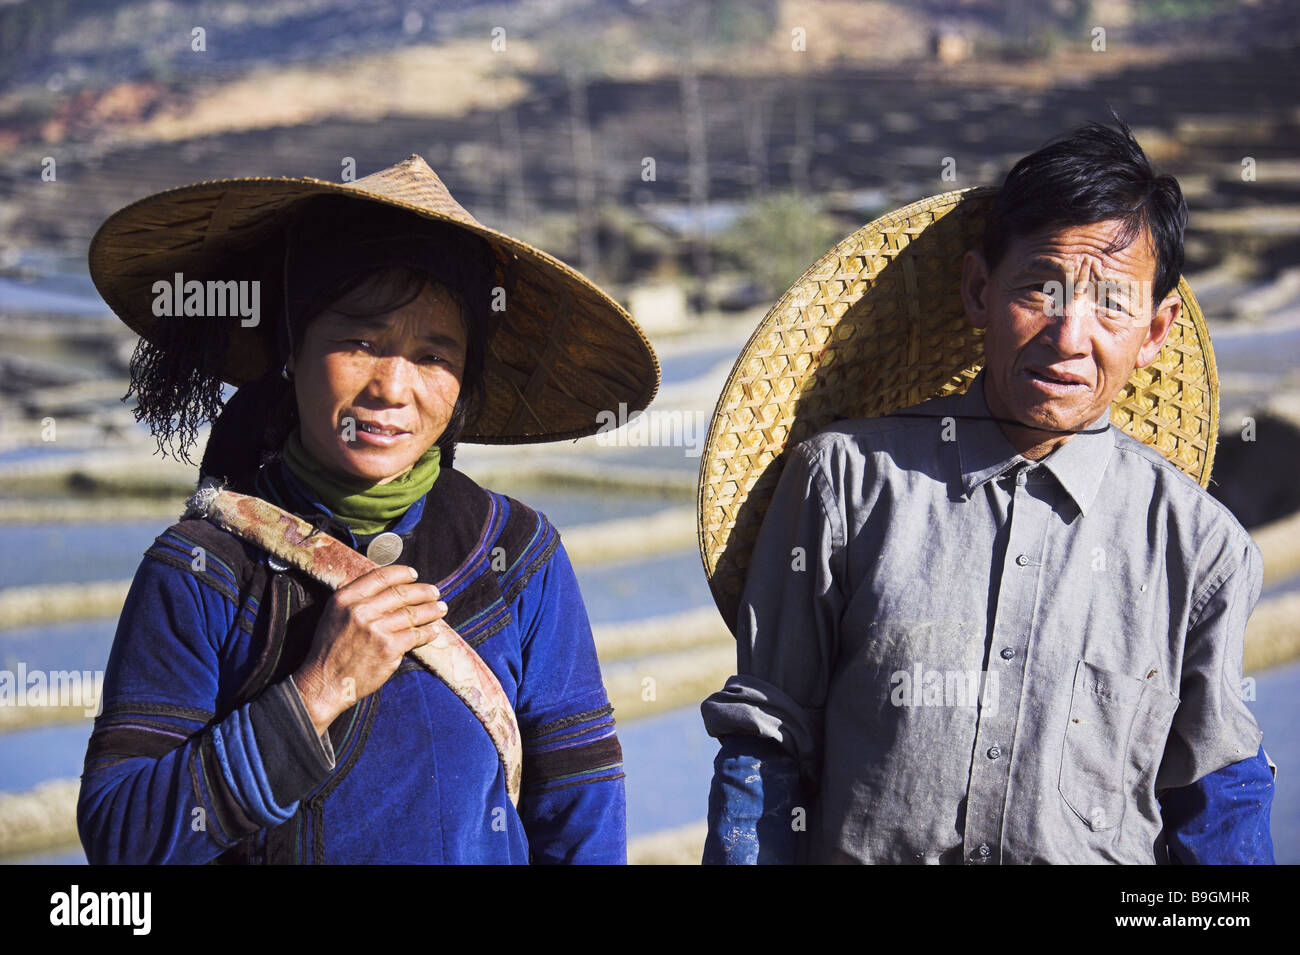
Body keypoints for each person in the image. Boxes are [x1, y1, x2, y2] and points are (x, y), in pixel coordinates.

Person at [699, 121, 1275, 864]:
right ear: (978, 290)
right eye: (1041, 287)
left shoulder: (1199, 549)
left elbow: (1216, 797)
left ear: (1156, 330)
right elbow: (766, 742)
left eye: (1111, 303)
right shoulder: (843, 485)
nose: (1070, 335)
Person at [76, 155, 659, 864]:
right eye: (360, 341)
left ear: (464, 379)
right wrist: (322, 688)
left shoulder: (519, 555)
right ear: (293, 348)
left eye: (433, 355)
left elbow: (583, 807)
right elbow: (121, 841)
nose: (393, 386)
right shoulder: (202, 569)